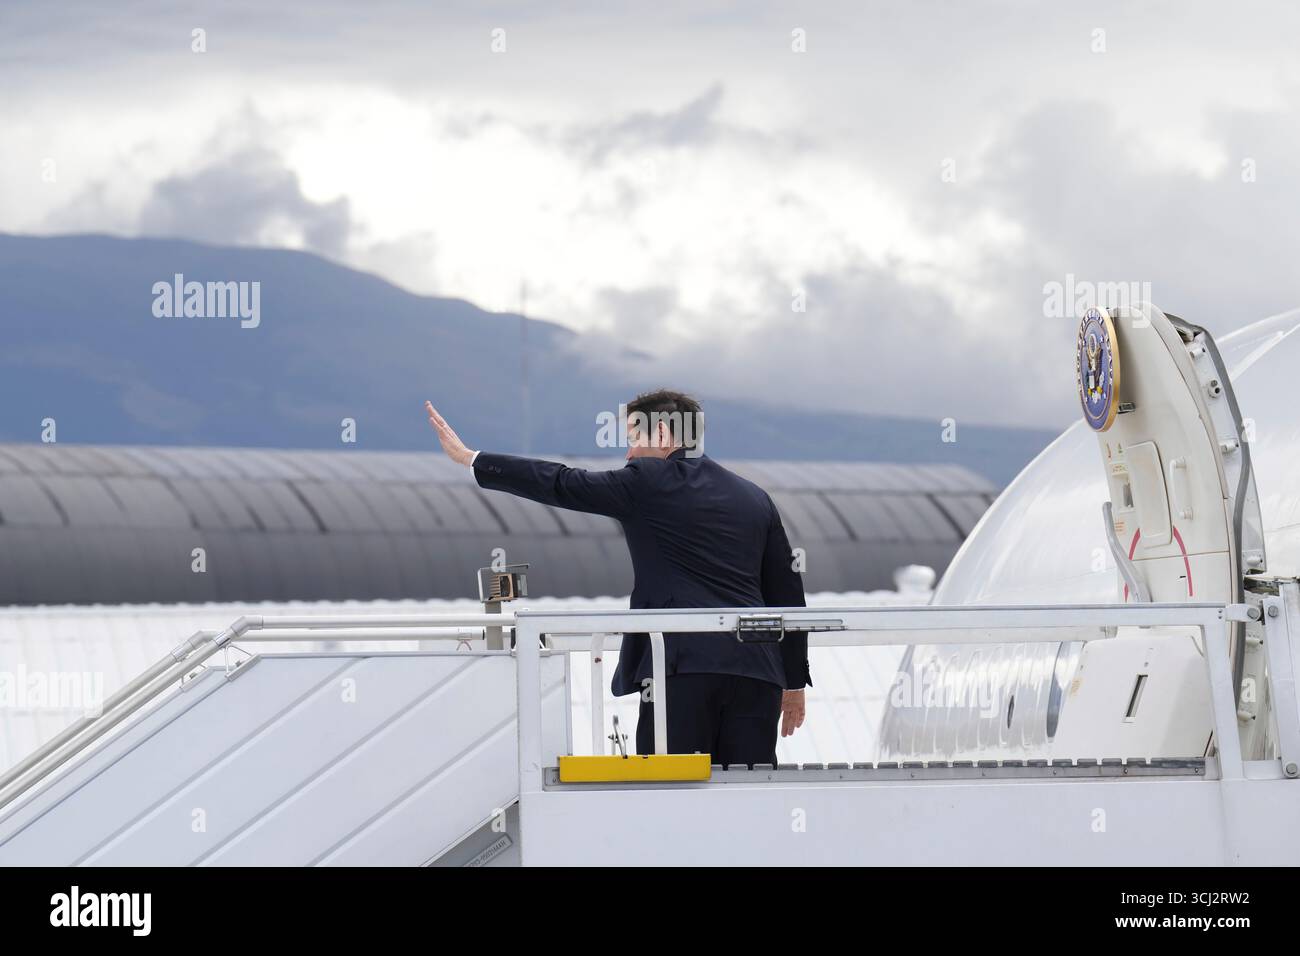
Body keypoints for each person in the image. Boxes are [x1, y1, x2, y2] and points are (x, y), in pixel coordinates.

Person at [424, 389, 810, 767]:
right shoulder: (755, 497)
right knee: (752, 805)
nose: (628, 453)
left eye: (633, 438)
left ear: (662, 434)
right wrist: (792, 683)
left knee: (669, 797)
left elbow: (560, 482)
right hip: (759, 676)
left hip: (679, 669)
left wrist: (471, 459)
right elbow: (787, 593)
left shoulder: (646, 481)